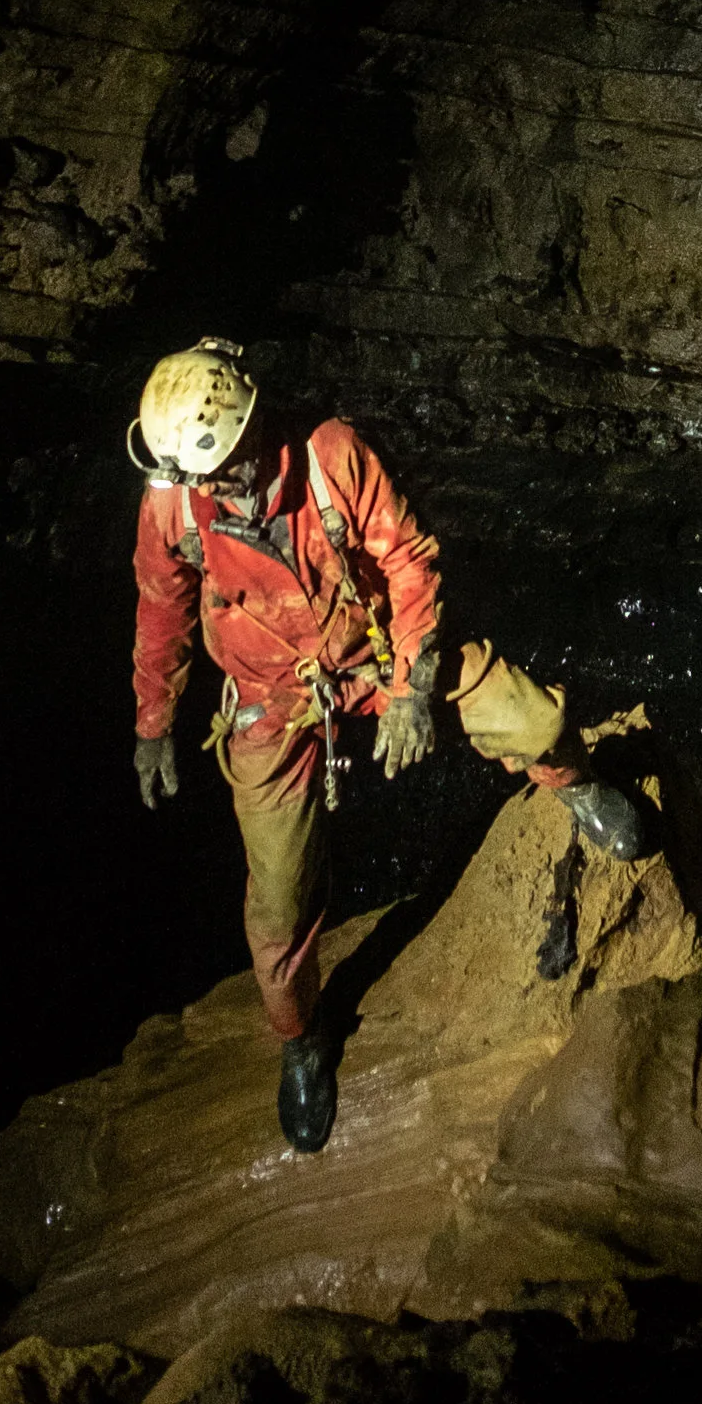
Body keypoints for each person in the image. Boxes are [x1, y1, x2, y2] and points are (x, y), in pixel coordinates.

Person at [127, 336, 644, 1151]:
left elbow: (406, 560)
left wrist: (409, 685)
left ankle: (577, 783)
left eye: (220, 470)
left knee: (527, 716)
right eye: (198, 478)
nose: (212, 491)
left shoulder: (328, 455)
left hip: (375, 656)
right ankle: (300, 1040)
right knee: (277, 901)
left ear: (254, 430)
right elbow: (161, 607)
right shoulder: (172, 505)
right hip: (274, 698)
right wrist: (153, 722)